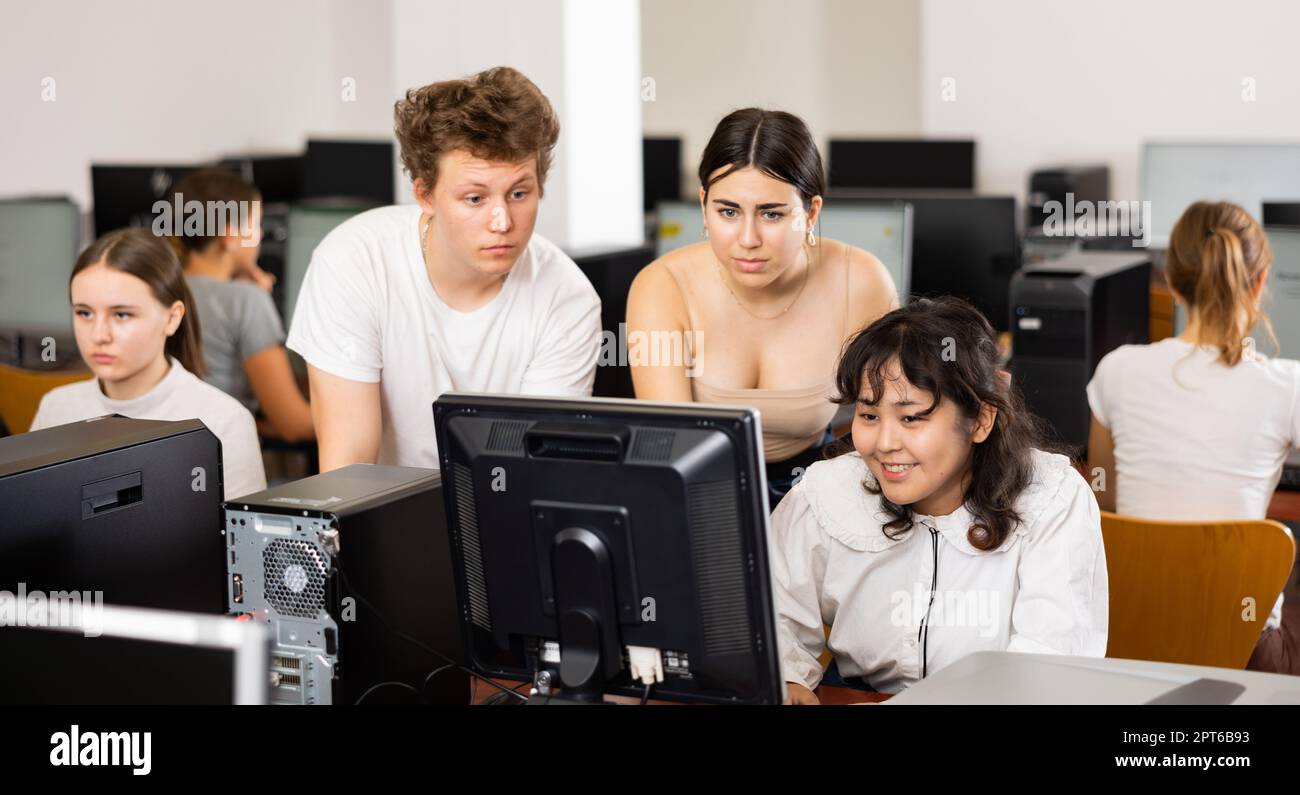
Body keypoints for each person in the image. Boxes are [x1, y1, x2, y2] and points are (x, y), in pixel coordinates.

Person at [771, 297, 1107, 702]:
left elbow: (1047, 667)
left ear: (981, 420)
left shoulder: (1052, 497)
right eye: (869, 415)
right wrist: (789, 677)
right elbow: (776, 615)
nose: (884, 443)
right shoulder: (825, 491)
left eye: (912, 417)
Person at [286, 66, 601, 471]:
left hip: (500, 522)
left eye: (519, 193)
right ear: (425, 195)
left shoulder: (566, 296)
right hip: (380, 519)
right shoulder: (354, 262)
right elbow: (349, 473)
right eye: (474, 198)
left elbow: (535, 474)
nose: (502, 220)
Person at [627, 108, 897, 506]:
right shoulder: (662, 286)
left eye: (772, 214)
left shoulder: (860, 280)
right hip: (698, 489)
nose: (748, 239)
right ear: (704, 207)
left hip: (819, 484)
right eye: (728, 212)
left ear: (811, 213)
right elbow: (673, 446)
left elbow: (893, 423)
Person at [1087, 200, 1298, 672]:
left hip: (1131, 643)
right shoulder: (1286, 385)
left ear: (1173, 286)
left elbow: (1104, 498)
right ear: (1260, 282)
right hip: (1246, 653)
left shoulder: (1116, 370)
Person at [31, 228, 266, 500]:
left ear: (172, 318)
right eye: (84, 313)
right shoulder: (56, 409)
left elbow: (240, 542)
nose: (98, 335)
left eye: (121, 314)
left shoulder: (223, 422)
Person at [172, 167, 314, 442]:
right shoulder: (245, 300)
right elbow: (294, 425)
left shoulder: (162, 288)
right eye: (256, 225)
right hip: (226, 465)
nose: (260, 235)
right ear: (230, 237)